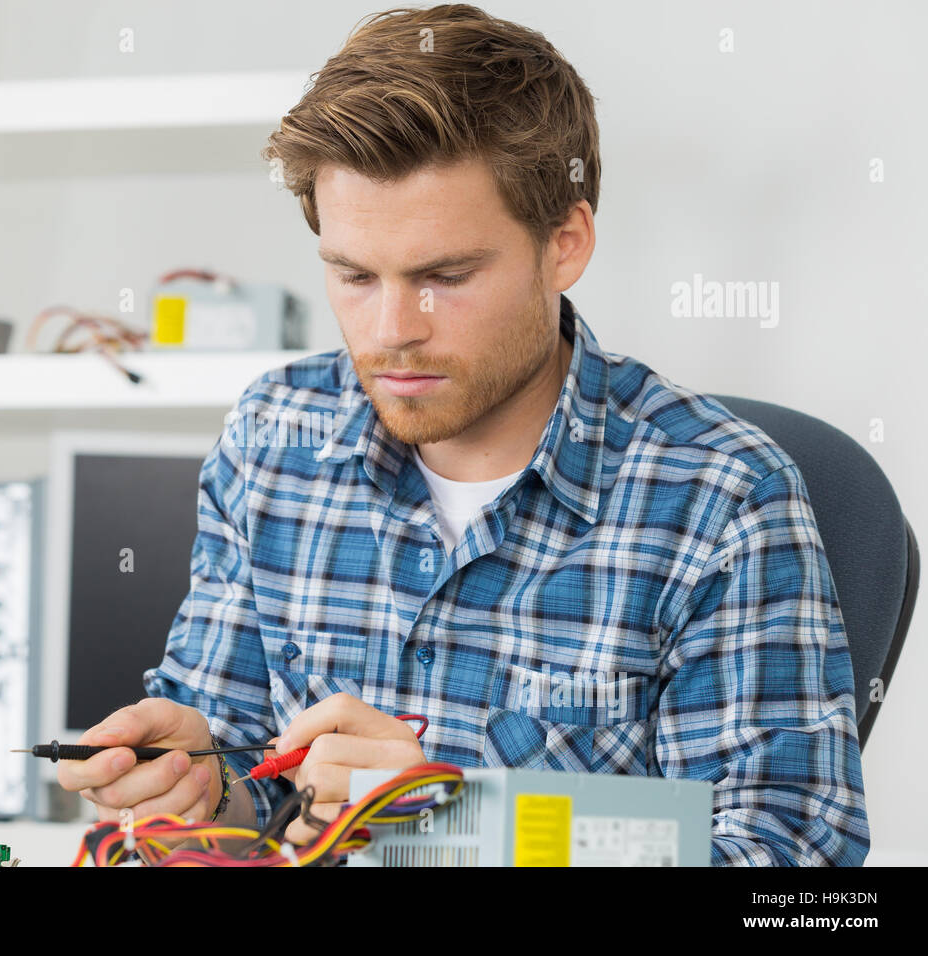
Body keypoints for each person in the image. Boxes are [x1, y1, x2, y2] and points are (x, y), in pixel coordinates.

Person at [57, 4, 869, 865]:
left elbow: (794, 869)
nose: (393, 329)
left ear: (565, 244)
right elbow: (244, 780)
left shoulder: (721, 497)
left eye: (445, 275)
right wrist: (204, 786)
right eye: (354, 275)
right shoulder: (271, 441)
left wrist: (454, 822)